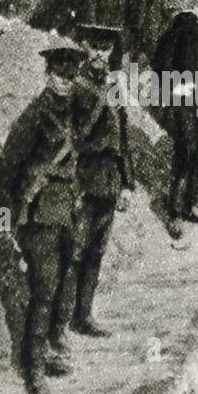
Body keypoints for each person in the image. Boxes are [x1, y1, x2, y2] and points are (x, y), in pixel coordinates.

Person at [0, 40, 87, 394]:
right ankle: (33, 367)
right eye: (60, 74)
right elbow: (4, 172)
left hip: (67, 211)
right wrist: (5, 221)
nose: (66, 80)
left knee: (64, 284)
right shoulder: (35, 115)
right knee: (44, 289)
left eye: (71, 75)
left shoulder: (71, 113)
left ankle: (53, 350)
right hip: (38, 215)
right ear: (48, 75)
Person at [69, 24, 134, 338]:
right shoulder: (74, 85)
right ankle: (62, 320)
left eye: (106, 48)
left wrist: (126, 182)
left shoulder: (114, 84)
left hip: (108, 178)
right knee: (74, 251)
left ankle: (84, 315)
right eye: (94, 46)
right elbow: (68, 139)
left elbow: (122, 136)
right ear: (83, 45)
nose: (100, 54)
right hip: (83, 177)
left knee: (96, 250)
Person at [151, 0, 198, 235]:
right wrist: (173, 88)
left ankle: (191, 204)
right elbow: (161, 59)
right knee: (186, 148)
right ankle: (174, 211)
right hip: (185, 96)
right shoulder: (183, 22)